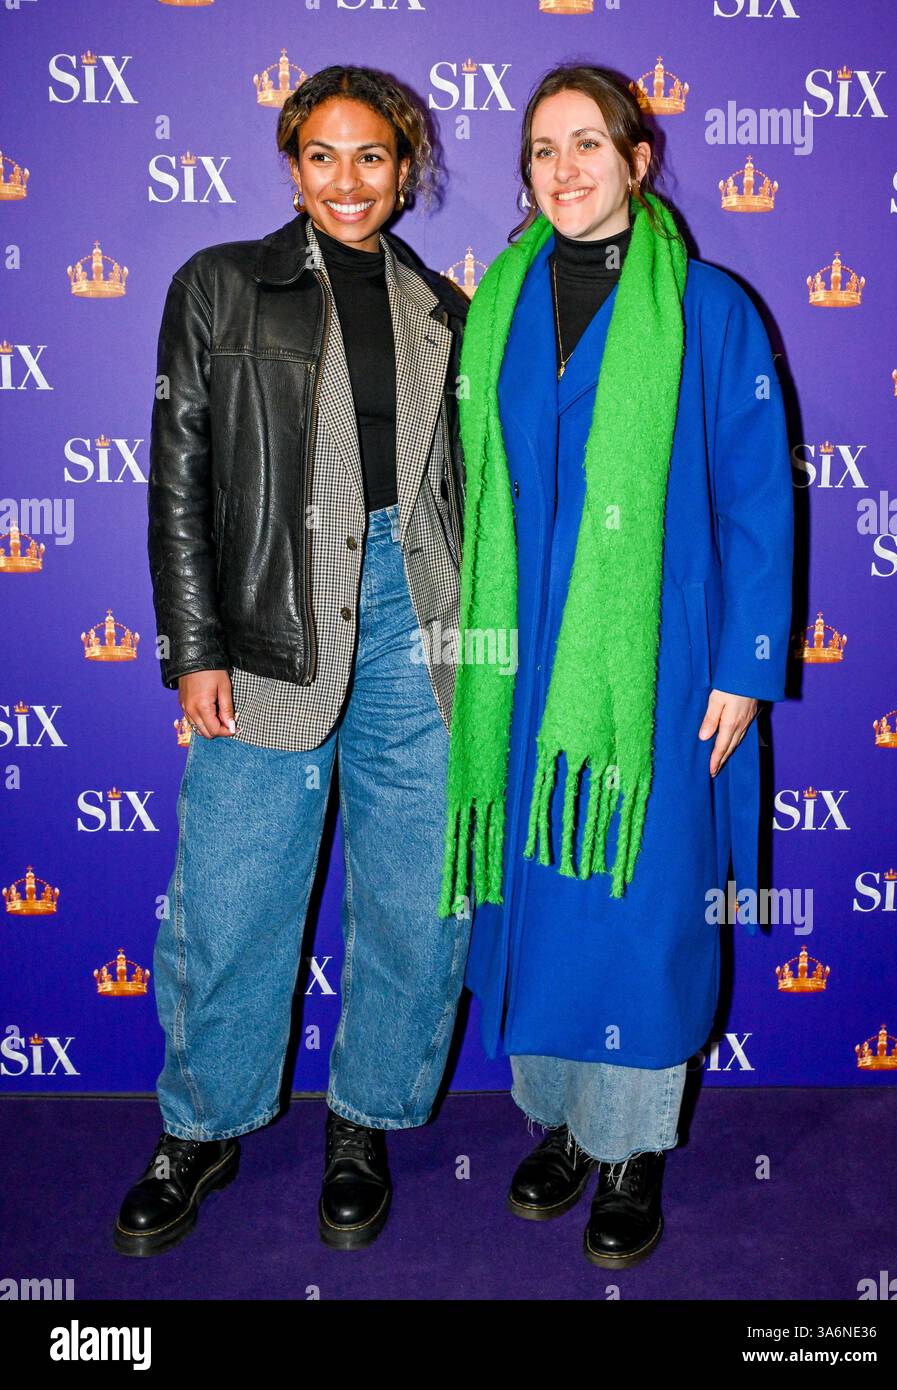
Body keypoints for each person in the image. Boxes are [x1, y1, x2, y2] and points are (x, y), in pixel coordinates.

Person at [438, 64, 794, 1268]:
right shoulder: (495, 309)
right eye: (542, 150)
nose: (565, 169)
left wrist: (745, 664)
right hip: (528, 664)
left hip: (658, 662)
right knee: (542, 898)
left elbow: (756, 502)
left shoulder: (709, 309)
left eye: (588, 144)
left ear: (638, 160)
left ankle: (633, 1145)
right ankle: (563, 1124)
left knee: (640, 905)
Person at [115, 66, 470, 1257]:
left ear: (405, 166)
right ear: (291, 164)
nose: (348, 180)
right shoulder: (221, 285)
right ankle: (201, 1127)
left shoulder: (444, 308)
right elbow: (178, 479)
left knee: (418, 894)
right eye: (322, 155)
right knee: (231, 893)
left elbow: (461, 499)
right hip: (271, 615)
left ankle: (364, 1118)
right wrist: (192, 645)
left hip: (417, 617)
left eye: (372, 156)